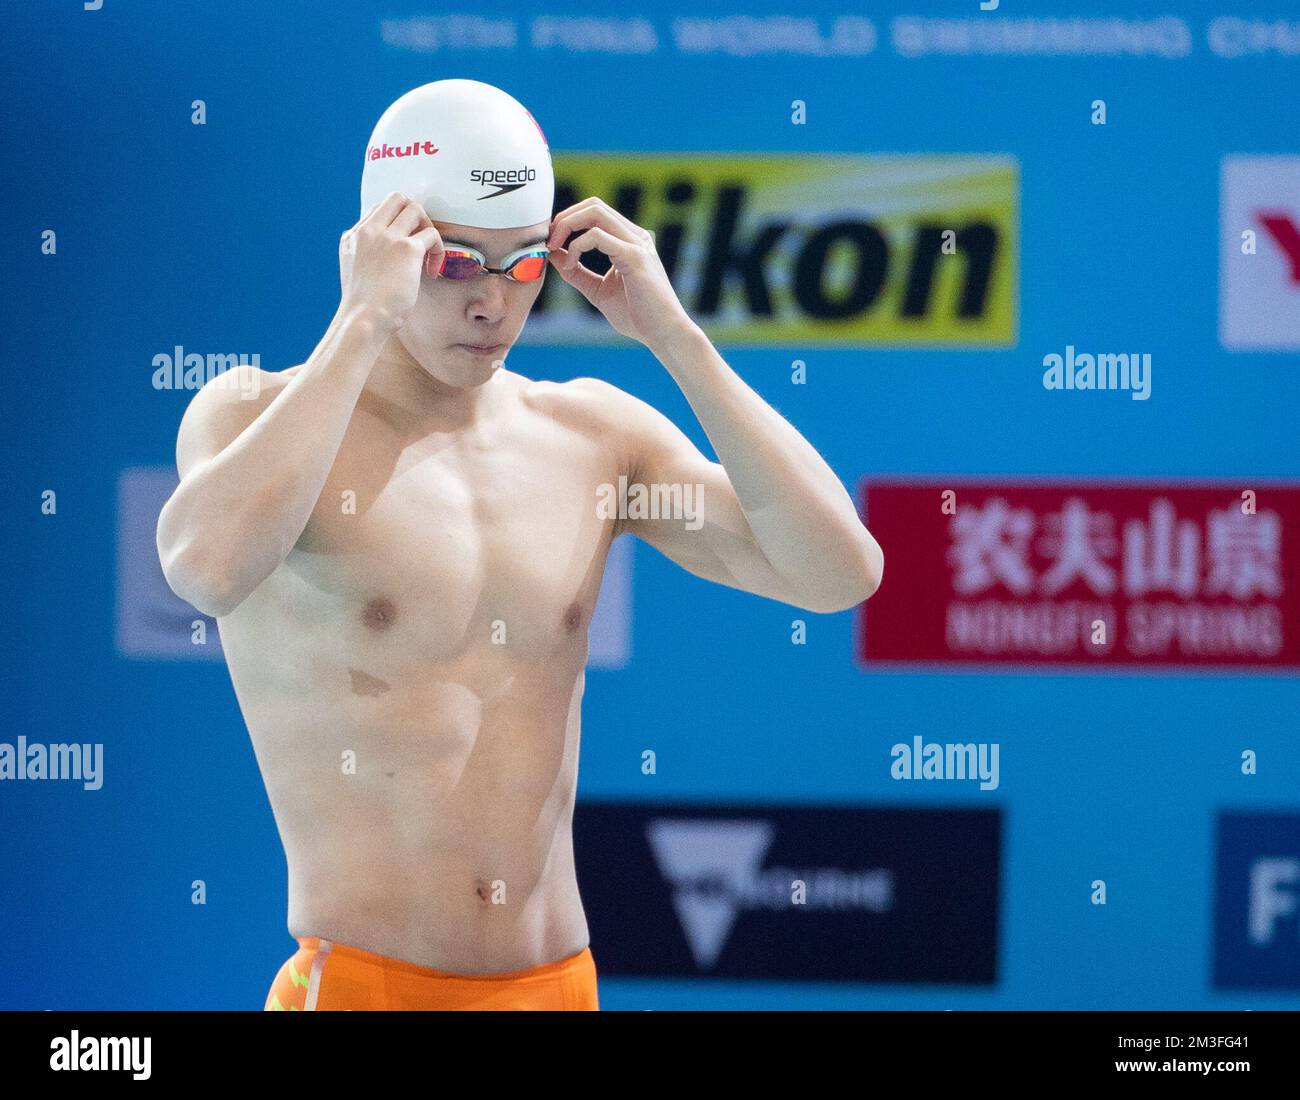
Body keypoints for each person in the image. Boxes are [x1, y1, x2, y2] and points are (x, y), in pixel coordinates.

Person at [155, 78, 884, 1011]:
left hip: (557, 988)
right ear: (387, 242)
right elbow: (205, 569)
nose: (494, 304)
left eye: (524, 265)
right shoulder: (258, 413)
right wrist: (361, 319)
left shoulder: (590, 437)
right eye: (457, 263)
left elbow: (839, 573)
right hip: (368, 991)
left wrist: (676, 337)